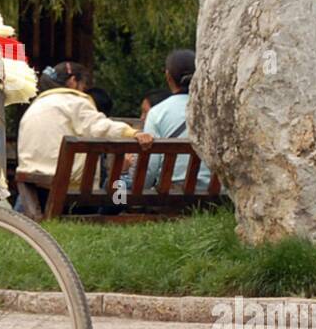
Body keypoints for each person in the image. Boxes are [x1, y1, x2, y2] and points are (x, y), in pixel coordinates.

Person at [14, 60, 153, 214]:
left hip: (31, 180)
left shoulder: (36, 106)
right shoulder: (75, 103)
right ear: (73, 81)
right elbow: (100, 127)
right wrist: (131, 135)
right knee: (116, 191)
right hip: (69, 182)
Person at [138, 48, 212, 192]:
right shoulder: (214, 109)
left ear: (168, 76)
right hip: (214, 192)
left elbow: (150, 168)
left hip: (171, 193)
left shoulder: (157, 113)